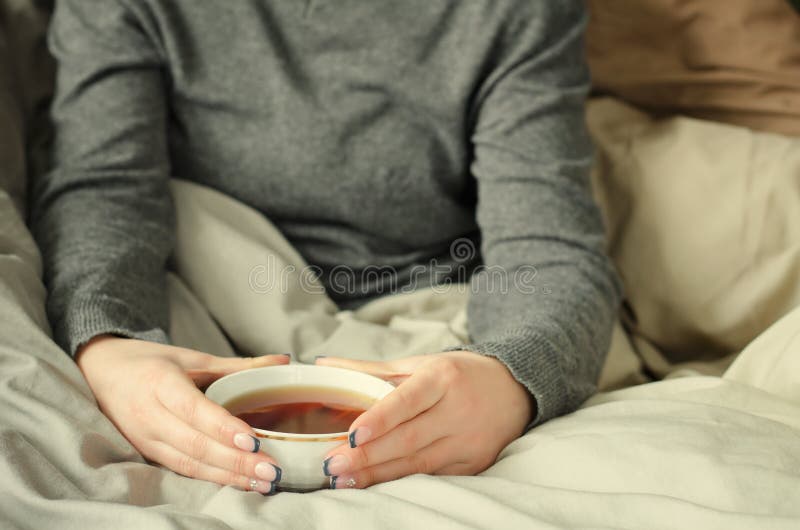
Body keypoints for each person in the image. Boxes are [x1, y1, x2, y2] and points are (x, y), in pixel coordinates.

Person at [31, 0, 621, 495]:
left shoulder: (511, 12)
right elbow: (105, 188)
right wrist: (110, 346)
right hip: (200, 300)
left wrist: (509, 377)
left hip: (437, 323)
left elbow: (548, 247)